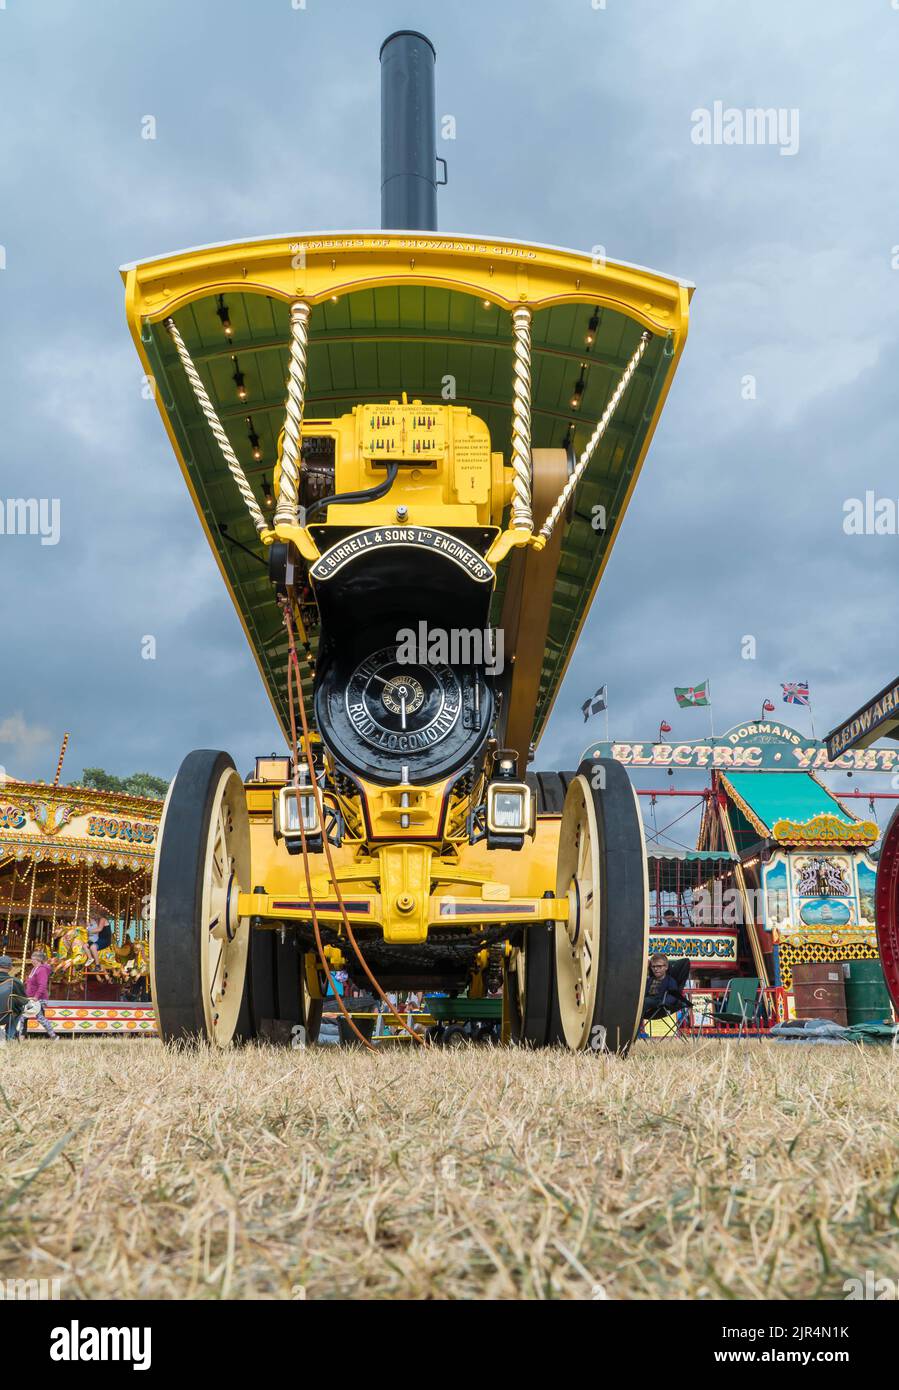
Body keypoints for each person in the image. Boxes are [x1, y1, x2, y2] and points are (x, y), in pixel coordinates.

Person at [21, 949, 59, 1040]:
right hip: (31, 998)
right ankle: (21, 1037)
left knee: (40, 1018)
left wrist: (36, 997)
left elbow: (42, 985)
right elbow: (31, 982)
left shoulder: (42, 970)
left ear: (37, 960)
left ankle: (54, 1036)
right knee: (24, 1017)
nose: (31, 960)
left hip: (38, 998)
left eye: (32, 958)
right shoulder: (34, 969)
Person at [642, 953, 689, 1020]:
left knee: (645, 1002)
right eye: (653, 966)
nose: (656, 969)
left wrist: (665, 1003)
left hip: (660, 1003)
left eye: (659, 966)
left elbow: (673, 995)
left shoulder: (670, 981)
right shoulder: (649, 980)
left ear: (666, 967)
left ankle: (636, 1028)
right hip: (648, 1005)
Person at [0, 955, 28, 1041]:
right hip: (5, 1016)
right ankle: (9, 1037)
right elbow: (23, 1000)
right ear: (10, 967)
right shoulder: (15, 981)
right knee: (18, 1010)